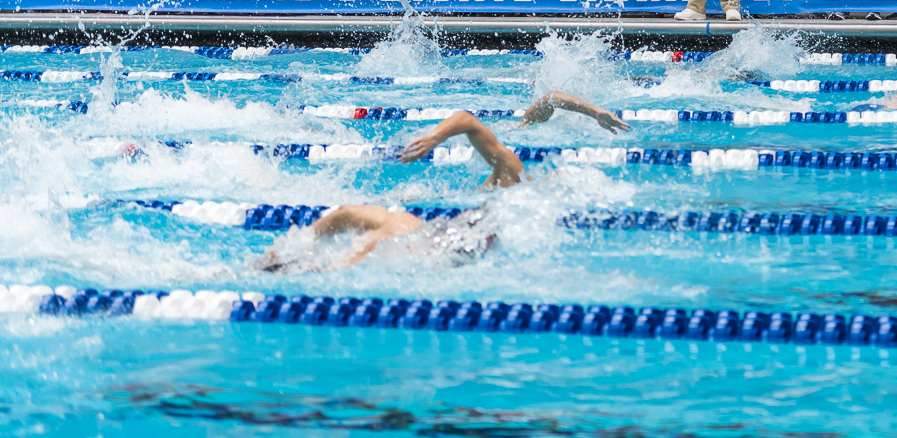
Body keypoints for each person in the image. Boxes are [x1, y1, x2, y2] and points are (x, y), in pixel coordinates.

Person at [259, 103, 628, 270]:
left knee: (375, 230)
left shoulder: (517, 199)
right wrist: (434, 138)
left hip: (436, 234)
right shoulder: (513, 177)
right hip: (433, 219)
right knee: (351, 215)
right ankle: (283, 262)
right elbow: (471, 118)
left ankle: (301, 266)